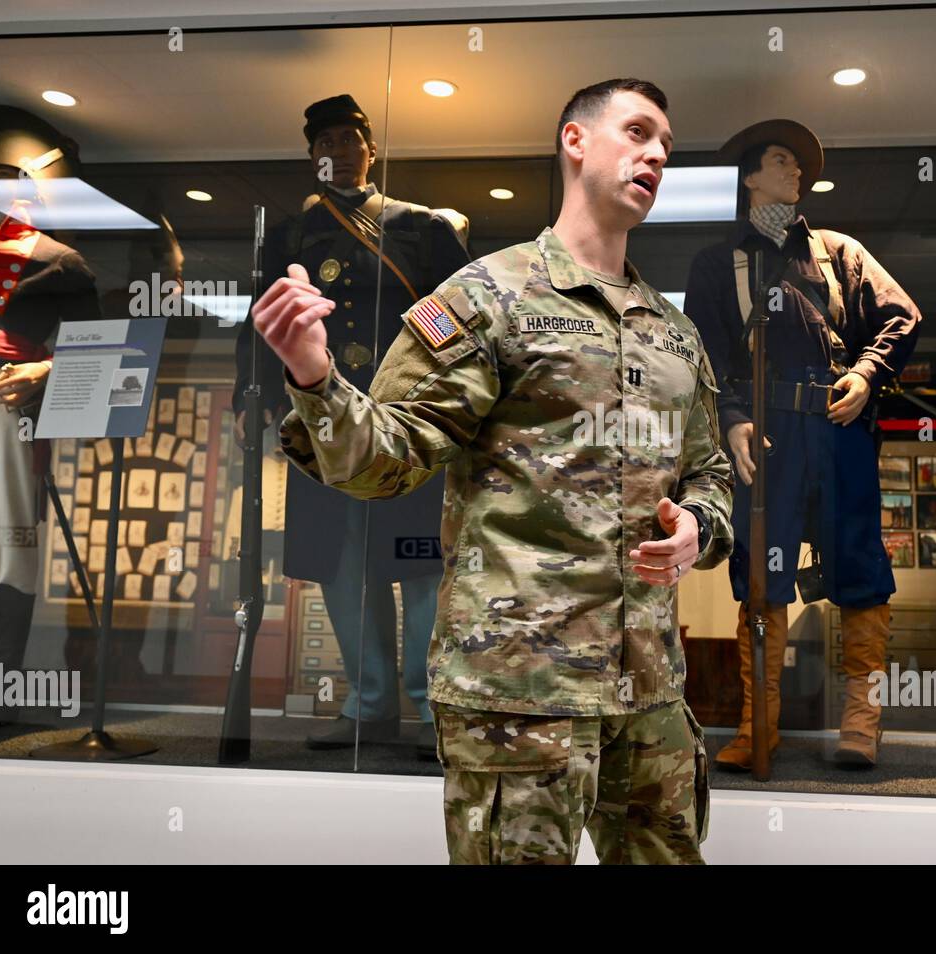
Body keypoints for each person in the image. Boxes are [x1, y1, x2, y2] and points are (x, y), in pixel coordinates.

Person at [253, 78, 733, 863]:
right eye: (638, 132)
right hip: (519, 694)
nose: (656, 155)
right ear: (574, 141)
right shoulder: (487, 298)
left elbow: (710, 473)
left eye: (667, 148)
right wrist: (316, 379)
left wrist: (698, 531)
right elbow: (387, 459)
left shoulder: (674, 333)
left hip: (650, 694)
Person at [233, 94, 470, 755]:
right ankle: (369, 705)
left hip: (405, 422)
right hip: (324, 422)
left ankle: (428, 710)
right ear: (312, 157)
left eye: (347, 139)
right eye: (324, 143)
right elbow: (259, 323)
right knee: (342, 565)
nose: (336, 151)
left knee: (419, 561)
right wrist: (248, 400)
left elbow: (460, 319)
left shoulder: (420, 228)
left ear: (370, 150)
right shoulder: (285, 236)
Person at [684, 119, 921, 769]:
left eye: (799, 164)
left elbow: (903, 316)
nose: (797, 172)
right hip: (768, 436)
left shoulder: (839, 251)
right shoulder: (717, 263)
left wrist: (867, 373)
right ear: (751, 176)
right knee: (761, 574)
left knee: (859, 566)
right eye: (781, 160)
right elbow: (704, 355)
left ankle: (861, 722)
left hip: (840, 428)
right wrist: (731, 417)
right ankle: (758, 724)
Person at [0, 105, 101, 729]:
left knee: (8, 543)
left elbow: (106, 356)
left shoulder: (57, 259)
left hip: (4, 397)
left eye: (2, 176)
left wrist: (48, 373)